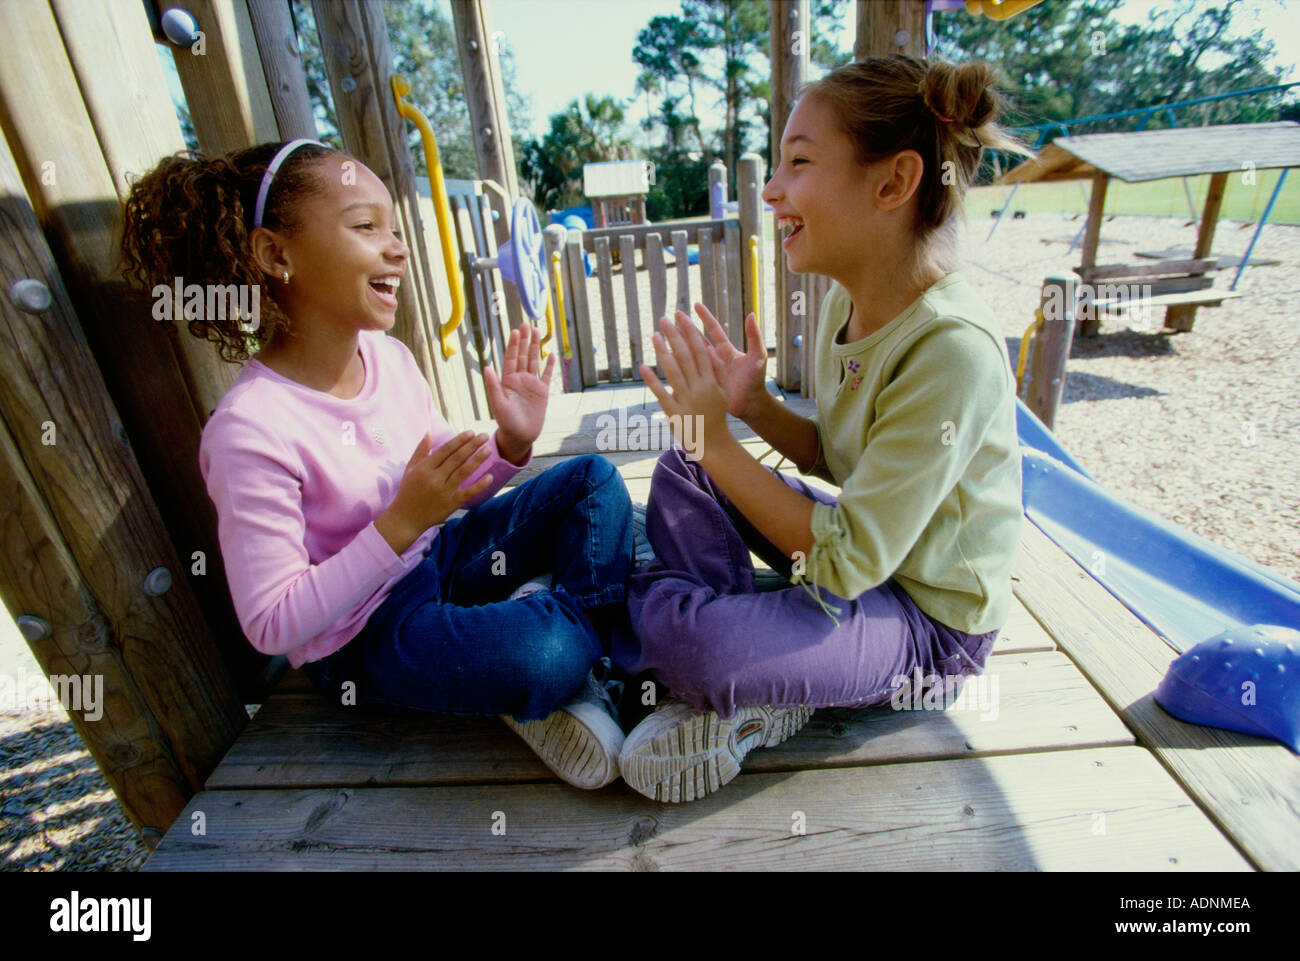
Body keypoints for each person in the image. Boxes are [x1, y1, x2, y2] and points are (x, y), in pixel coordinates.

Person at [119, 139, 633, 791]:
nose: (397, 247)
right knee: (543, 656)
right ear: (276, 254)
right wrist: (398, 524)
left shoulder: (387, 357)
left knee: (594, 480)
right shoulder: (250, 427)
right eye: (366, 227)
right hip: (365, 634)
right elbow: (271, 620)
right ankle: (576, 644)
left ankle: (558, 632)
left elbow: (453, 488)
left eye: (393, 228)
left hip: (437, 552)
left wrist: (508, 444)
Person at [615, 55, 1033, 803]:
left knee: (697, 640)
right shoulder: (848, 305)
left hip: (928, 624)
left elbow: (845, 564)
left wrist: (718, 437)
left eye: (799, 162)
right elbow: (843, 458)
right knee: (685, 466)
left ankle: (722, 660)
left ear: (893, 183)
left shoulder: (952, 350)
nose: (772, 189)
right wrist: (755, 411)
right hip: (864, 554)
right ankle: (759, 667)